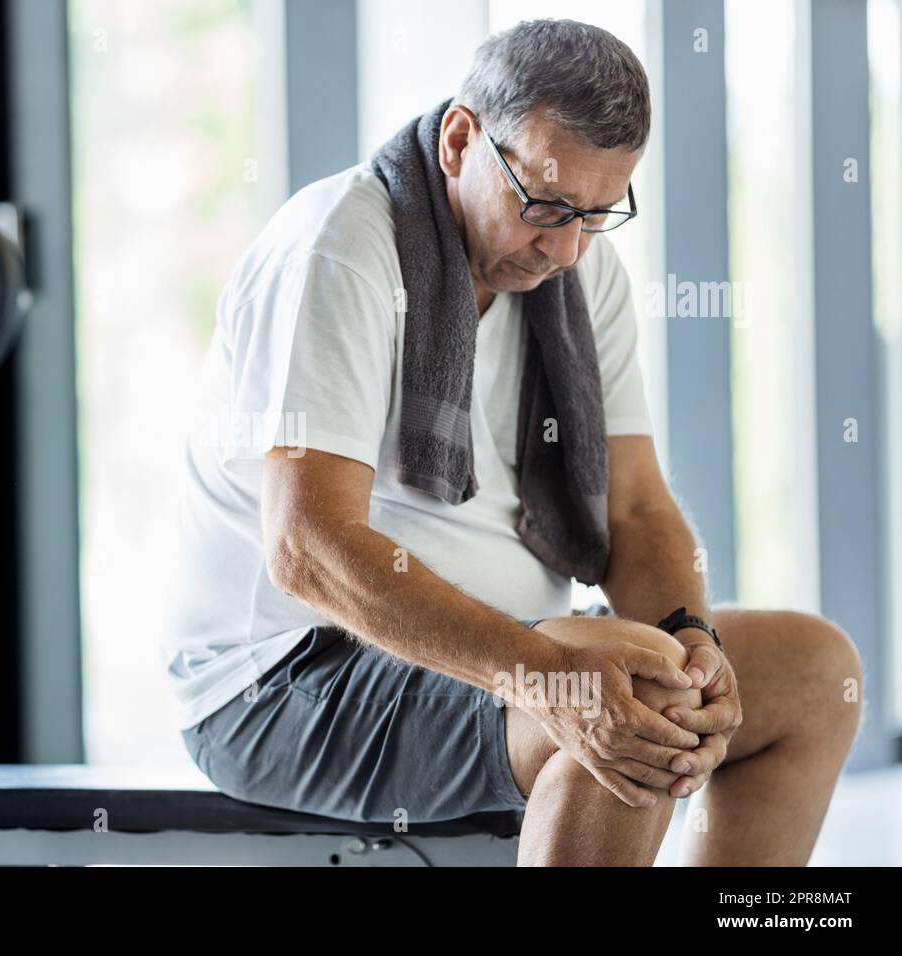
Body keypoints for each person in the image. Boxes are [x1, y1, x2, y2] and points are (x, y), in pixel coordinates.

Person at [162, 18, 862, 866]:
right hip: (283, 687)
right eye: (547, 206)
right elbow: (308, 547)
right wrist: (543, 674)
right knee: (627, 683)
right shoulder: (343, 250)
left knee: (811, 671)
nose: (566, 249)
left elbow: (637, 510)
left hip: (502, 649)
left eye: (598, 215)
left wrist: (694, 642)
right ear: (461, 139)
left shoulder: (579, 268)